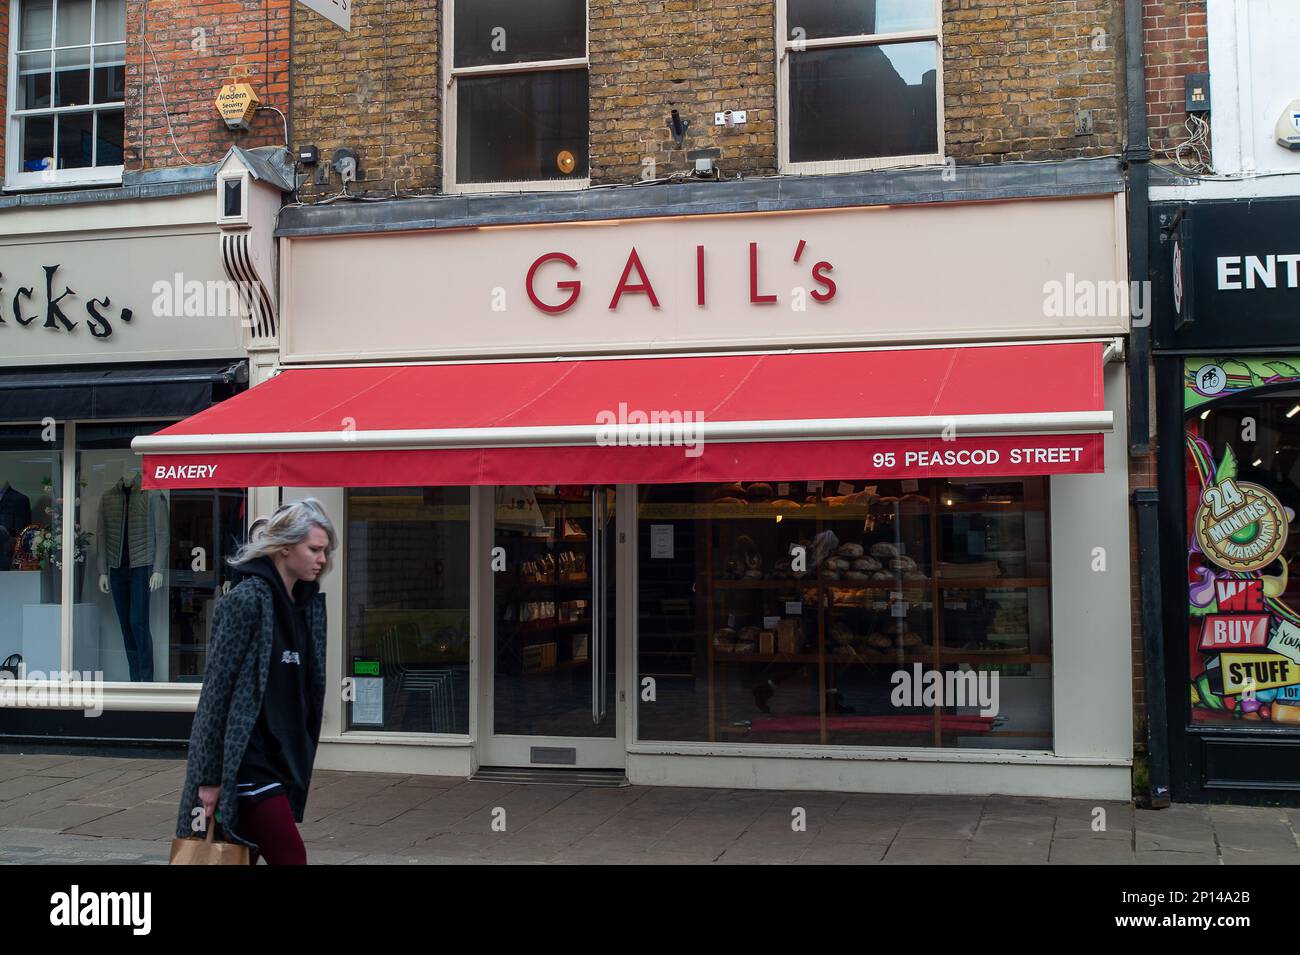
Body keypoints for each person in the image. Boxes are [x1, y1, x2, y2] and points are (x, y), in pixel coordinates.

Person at [173, 499, 336, 865]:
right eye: (314, 549)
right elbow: (216, 695)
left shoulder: (306, 609)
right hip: (246, 762)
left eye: (325, 550)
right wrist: (208, 778)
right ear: (283, 547)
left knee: (241, 858)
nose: (322, 559)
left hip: (283, 761)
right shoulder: (245, 603)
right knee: (291, 857)